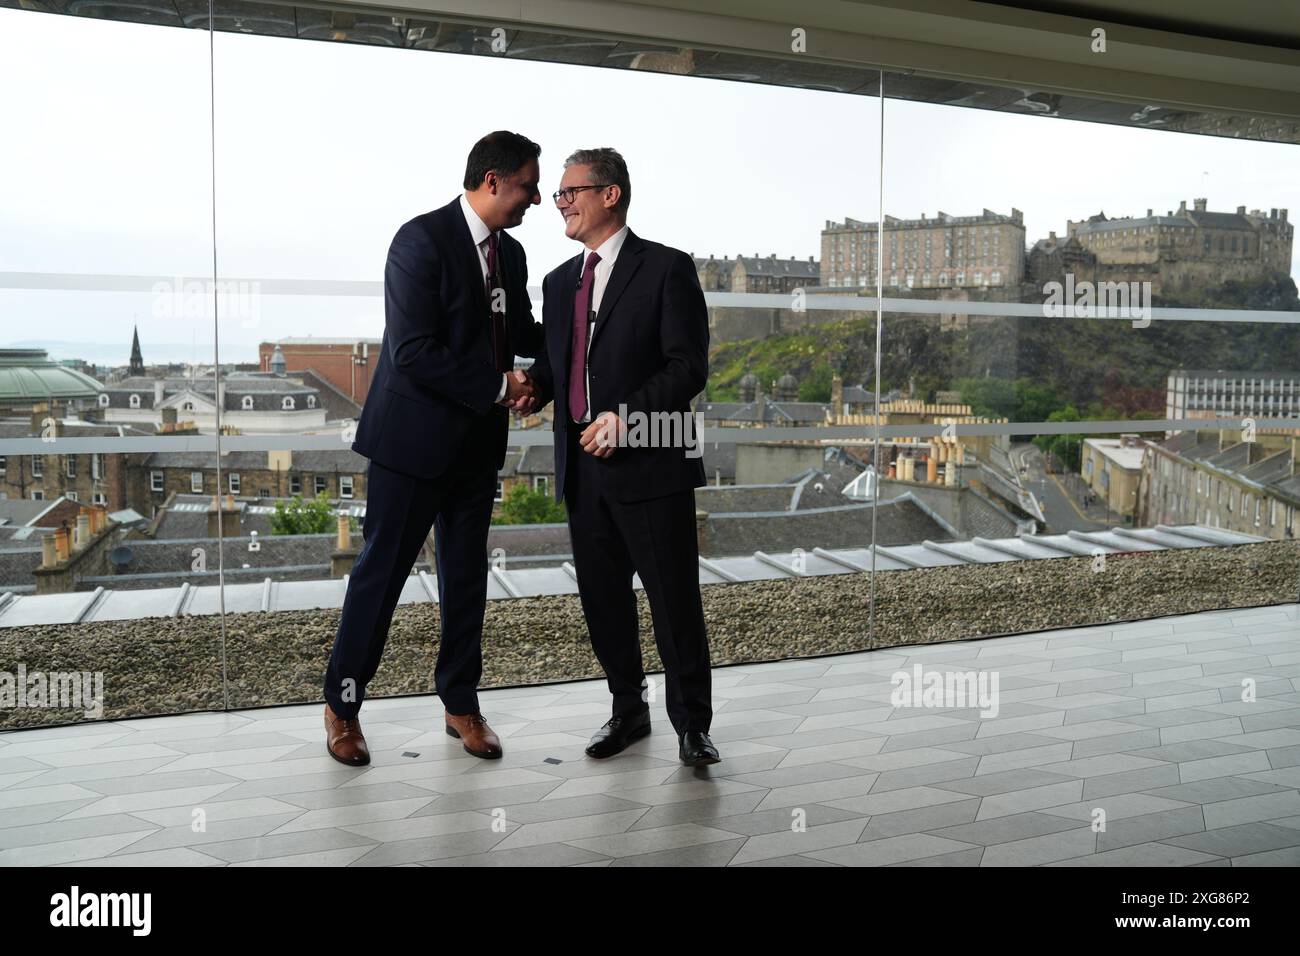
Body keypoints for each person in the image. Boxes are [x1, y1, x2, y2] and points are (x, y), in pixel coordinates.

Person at [323, 131, 544, 766]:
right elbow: (412, 350)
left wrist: (571, 333)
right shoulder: (419, 239)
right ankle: (342, 709)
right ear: (493, 180)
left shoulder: (515, 254)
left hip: (477, 445)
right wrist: (503, 385)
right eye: (528, 185)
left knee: (467, 578)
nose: (534, 198)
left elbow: (521, 329)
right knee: (380, 577)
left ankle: (461, 706)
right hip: (411, 446)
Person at [511, 147, 720, 767]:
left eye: (571, 191)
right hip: (583, 468)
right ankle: (628, 709)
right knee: (603, 601)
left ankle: (692, 725)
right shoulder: (558, 282)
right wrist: (533, 390)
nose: (561, 202)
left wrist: (625, 418)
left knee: (673, 599)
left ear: (611, 195)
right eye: (558, 194)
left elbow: (688, 368)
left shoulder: (666, 269)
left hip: (652, 463)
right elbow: (560, 365)